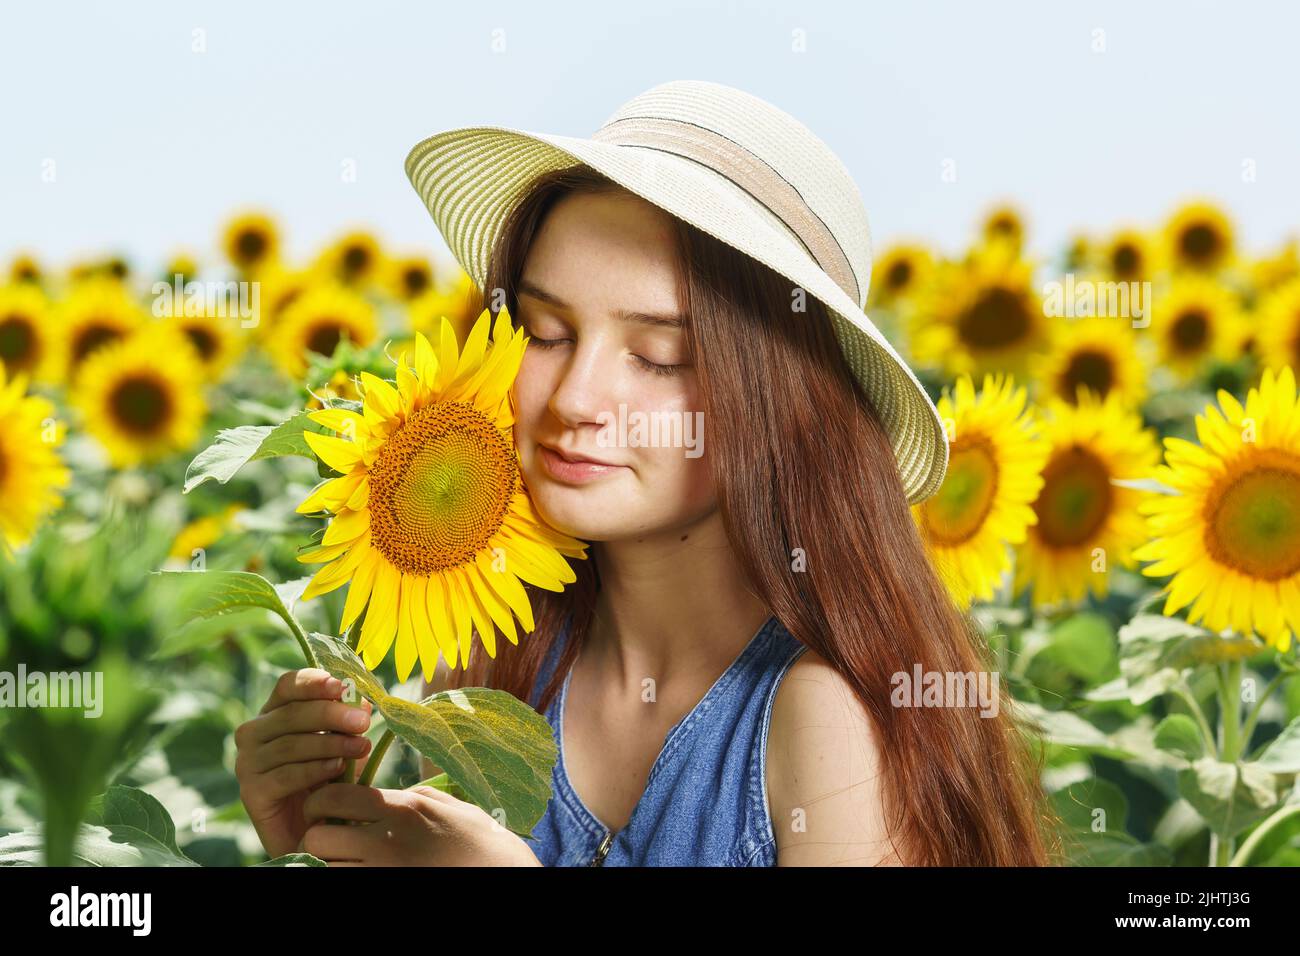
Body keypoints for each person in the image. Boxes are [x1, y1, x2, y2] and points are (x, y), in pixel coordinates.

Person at [235, 80, 1057, 866]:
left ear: (782, 404)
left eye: (659, 357)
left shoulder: (826, 723)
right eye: (546, 332)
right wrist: (320, 842)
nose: (576, 398)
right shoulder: (492, 664)